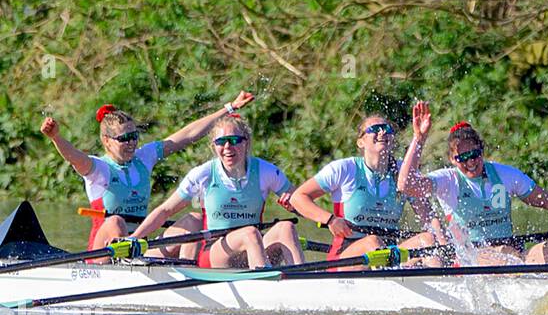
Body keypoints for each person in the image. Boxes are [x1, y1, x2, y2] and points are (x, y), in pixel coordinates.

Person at [39, 91, 255, 256]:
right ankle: (128, 264)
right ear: (106, 141)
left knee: (194, 219)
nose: (131, 142)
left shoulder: (145, 157)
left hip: (139, 247)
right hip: (103, 254)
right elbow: (73, 157)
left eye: (134, 136)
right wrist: (56, 138)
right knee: (116, 222)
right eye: (123, 138)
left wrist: (229, 108)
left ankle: (189, 269)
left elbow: (188, 134)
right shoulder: (99, 169)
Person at [398, 101, 548, 264]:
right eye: (463, 158)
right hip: (470, 258)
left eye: (474, 154)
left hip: (510, 253)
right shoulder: (448, 180)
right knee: (503, 254)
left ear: (482, 151)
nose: (471, 162)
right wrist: (419, 139)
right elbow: (405, 185)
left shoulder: (505, 174)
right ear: (452, 159)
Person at [130, 114, 303, 268]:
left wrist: (294, 207)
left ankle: (302, 280)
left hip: (253, 246)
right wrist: (135, 238)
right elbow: (165, 210)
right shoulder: (203, 174)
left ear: (246, 142)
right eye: (221, 142)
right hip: (215, 251)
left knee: (286, 227)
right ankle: (264, 285)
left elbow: (301, 202)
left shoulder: (267, 171)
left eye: (234, 140)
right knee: (250, 233)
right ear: (214, 146)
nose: (228, 147)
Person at [290, 113, 438, 261]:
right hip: (347, 254)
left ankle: (446, 280)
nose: (382, 132)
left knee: (428, 240)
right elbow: (298, 198)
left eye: (387, 128)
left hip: (389, 256)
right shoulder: (344, 169)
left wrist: (444, 244)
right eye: (375, 128)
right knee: (372, 242)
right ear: (361, 142)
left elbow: (429, 218)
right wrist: (330, 220)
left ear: (392, 140)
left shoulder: (403, 174)